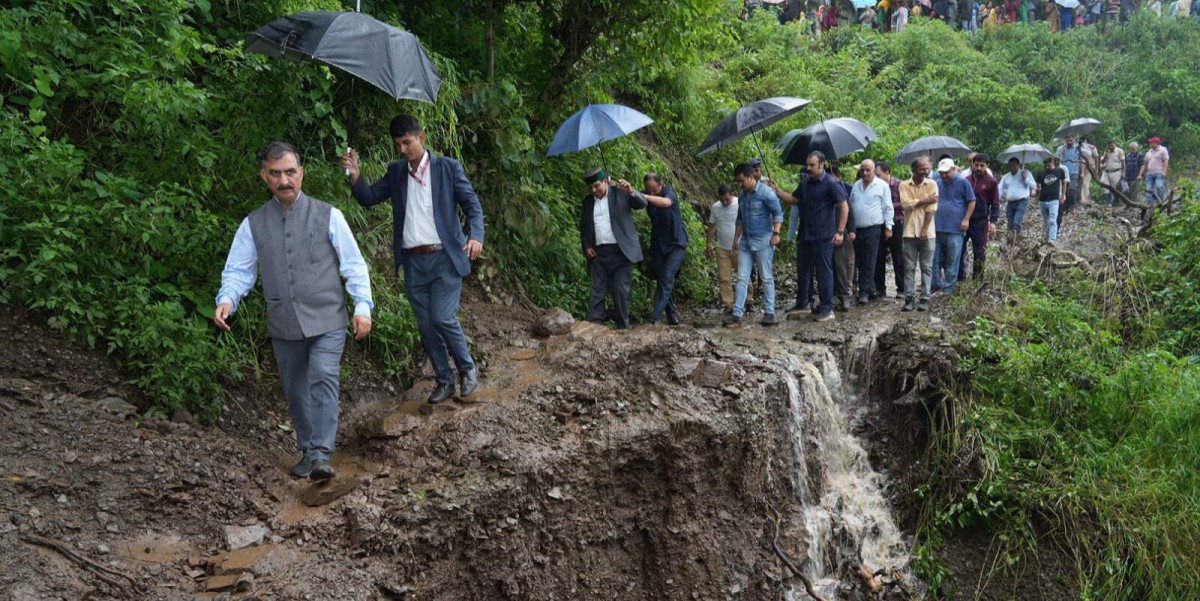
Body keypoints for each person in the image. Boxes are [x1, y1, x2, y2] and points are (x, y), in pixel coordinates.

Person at [217, 141, 374, 480]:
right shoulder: (253, 224)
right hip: (283, 322)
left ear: (302, 173)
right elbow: (239, 270)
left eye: (290, 172)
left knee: (322, 377)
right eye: (276, 174)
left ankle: (320, 454)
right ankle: (307, 449)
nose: (284, 180)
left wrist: (363, 306)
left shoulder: (329, 215)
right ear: (264, 177)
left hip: (328, 318)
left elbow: (354, 265)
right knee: (295, 388)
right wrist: (227, 299)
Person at [344, 115, 484, 405]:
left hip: (445, 257)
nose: (403, 150)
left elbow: (472, 205)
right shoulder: (396, 172)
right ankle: (444, 381)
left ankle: (468, 369)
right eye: (398, 144)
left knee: (442, 316)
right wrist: (356, 175)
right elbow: (369, 198)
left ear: (421, 138)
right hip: (414, 262)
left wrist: (476, 235)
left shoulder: (447, 168)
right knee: (426, 325)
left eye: (407, 142)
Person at [778, 152, 847, 322]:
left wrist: (840, 232)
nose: (808, 168)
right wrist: (776, 190)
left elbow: (844, 207)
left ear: (822, 165)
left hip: (824, 235)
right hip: (806, 234)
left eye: (812, 165)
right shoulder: (806, 183)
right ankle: (803, 303)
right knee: (803, 270)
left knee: (824, 271)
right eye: (807, 165)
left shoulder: (831, 183)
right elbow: (794, 199)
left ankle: (827, 308)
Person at [575, 168, 646, 329]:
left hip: (622, 251)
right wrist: (586, 246)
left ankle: (623, 327)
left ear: (606, 181)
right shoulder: (588, 202)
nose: (594, 190)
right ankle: (594, 327)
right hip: (599, 253)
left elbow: (642, 203)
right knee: (597, 290)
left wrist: (631, 191)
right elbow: (584, 226)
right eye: (591, 188)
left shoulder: (621, 193)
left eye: (597, 186)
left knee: (620, 291)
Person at [725, 163, 784, 326]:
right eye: (738, 182)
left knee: (766, 277)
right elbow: (740, 219)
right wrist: (736, 239)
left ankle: (769, 312)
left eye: (742, 181)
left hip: (764, 241)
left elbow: (778, 214)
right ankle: (737, 313)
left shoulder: (767, 193)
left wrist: (776, 234)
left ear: (751, 177)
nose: (740, 184)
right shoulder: (742, 196)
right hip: (746, 241)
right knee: (742, 277)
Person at [642, 173, 687, 325]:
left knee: (667, 277)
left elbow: (666, 203)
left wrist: (646, 197)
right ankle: (671, 316)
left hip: (676, 243)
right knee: (662, 280)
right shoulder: (646, 194)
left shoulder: (669, 193)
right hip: (658, 245)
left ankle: (655, 318)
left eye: (654, 190)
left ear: (661, 184)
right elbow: (631, 197)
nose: (652, 193)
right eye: (649, 190)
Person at [849, 159, 893, 304]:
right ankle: (871, 288)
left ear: (873, 170)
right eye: (862, 170)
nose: (865, 172)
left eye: (868, 170)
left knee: (869, 259)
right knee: (860, 260)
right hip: (857, 230)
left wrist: (888, 227)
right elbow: (851, 207)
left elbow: (888, 207)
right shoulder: (856, 186)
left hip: (873, 228)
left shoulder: (882, 186)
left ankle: (864, 292)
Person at [931, 158, 975, 295]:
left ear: (953, 170)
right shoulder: (937, 183)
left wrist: (966, 219)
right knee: (934, 258)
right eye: (941, 173)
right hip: (937, 227)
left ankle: (949, 286)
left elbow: (971, 201)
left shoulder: (963, 182)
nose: (944, 176)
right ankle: (935, 284)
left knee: (953, 259)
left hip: (955, 228)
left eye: (946, 173)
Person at [900, 157, 939, 312]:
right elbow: (905, 204)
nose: (926, 171)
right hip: (909, 232)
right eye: (922, 168)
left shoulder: (932, 184)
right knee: (909, 267)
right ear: (914, 170)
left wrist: (924, 229)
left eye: (927, 168)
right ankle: (909, 298)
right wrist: (925, 199)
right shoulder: (904, 185)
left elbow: (932, 208)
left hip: (928, 233)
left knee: (926, 267)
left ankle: (924, 298)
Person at [961, 153, 999, 280]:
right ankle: (960, 278)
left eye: (982, 165)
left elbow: (995, 203)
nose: (978, 168)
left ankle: (978, 281)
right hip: (964, 220)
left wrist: (993, 221)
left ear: (987, 166)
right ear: (972, 164)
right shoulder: (966, 180)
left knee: (979, 252)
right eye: (976, 165)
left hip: (980, 221)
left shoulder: (991, 182)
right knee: (960, 250)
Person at [707, 185, 741, 314]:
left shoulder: (739, 203)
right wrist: (709, 245)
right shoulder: (716, 207)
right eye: (723, 200)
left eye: (727, 199)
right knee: (724, 277)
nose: (725, 202)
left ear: (732, 194)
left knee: (743, 275)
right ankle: (729, 303)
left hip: (739, 246)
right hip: (722, 247)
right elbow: (711, 227)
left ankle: (749, 300)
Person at [874, 162, 905, 300]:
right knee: (878, 257)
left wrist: (887, 206)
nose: (877, 178)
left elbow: (905, 203)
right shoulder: (874, 186)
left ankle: (902, 288)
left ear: (887, 173)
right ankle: (880, 288)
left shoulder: (899, 185)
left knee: (898, 257)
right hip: (879, 224)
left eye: (879, 175)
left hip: (896, 223)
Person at [998, 157, 1036, 235]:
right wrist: (996, 199)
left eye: (1014, 166)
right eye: (1010, 166)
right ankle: (1011, 240)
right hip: (1011, 202)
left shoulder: (1025, 173)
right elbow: (1000, 189)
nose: (1012, 168)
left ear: (1018, 165)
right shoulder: (1006, 177)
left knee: (1016, 221)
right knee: (1010, 222)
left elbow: (1033, 185)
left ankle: (1017, 239)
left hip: (1022, 201)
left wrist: (1026, 179)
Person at [1034, 157, 1068, 243]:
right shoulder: (1041, 173)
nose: (1047, 167)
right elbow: (1037, 185)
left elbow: (1064, 183)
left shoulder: (1059, 171)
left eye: (1048, 165)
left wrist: (1063, 195)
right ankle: (1048, 236)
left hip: (1054, 199)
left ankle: (1052, 240)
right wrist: (1036, 191)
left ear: (1052, 162)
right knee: (1047, 221)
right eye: (1045, 165)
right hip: (1042, 200)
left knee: (1053, 220)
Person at [1056, 135, 1082, 218]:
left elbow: (1082, 160)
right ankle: (1065, 206)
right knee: (1065, 189)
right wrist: (1063, 152)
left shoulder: (1078, 149)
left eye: (1071, 137)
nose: (1069, 139)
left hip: (1074, 171)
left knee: (1073, 188)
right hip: (1063, 172)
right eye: (1067, 138)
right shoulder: (1060, 148)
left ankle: (1073, 205)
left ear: (1074, 139)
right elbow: (1056, 159)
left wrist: (1083, 172)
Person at [1139, 136, 1170, 205]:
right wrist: (1142, 174)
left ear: (1156, 143)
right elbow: (1145, 163)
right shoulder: (1149, 152)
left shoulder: (1163, 150)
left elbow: (1166, 161)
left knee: (1159, 187)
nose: (1149, 144)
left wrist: (1164, 171)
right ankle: (1150, 205)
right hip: (1149, 173)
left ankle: (1162, 202)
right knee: (1148, 189)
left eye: (1151, 142)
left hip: (1159, 172)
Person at [1099, 141, 1125, 206]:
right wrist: (1106, 154)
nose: (1110, 147)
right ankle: (1106, 201)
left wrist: (1123, 172)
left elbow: (1123, 163)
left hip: (1116, 171)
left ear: (1115, 145)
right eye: (1109, 146)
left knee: (1115, 188)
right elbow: (1102, 162)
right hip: (1106, 172)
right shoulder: (1106, 152)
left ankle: (1116, 202)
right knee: (1103, 184)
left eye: (1112, 145)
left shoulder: (1120, 151)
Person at [1079, 137, 1098, 205]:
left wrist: (1096, 169)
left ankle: (1085, 199)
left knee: (1085, 183)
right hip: (1081, 167)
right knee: (1082, 183)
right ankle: (1083, 199)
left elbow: (1096, 158)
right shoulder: (1079, 147)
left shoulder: (1092, 148)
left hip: (1090, 167)